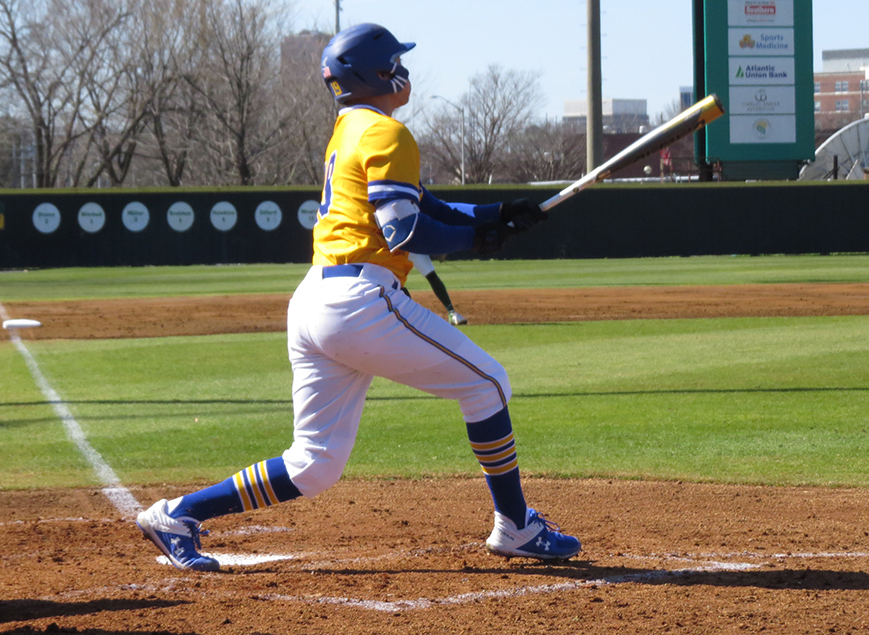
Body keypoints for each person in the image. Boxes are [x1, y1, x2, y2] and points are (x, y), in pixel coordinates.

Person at [135, 23, 580, 571]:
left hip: (316, 300)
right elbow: (407, 231)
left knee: (314, 466)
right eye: (395, 62)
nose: (403, 72)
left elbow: (428, 205)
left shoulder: (353, 129)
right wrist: (480, 238)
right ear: (376, 73)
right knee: (489, 385)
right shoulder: (388, 134)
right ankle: (515, 526)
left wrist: (497, 216)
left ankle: (176, 514)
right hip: (360, 301)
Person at [408, 252, 467, 325]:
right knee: (431, 276)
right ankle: (452, 312)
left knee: (431, 276)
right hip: (405, 250)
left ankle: (452, 313)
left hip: (405, 250)